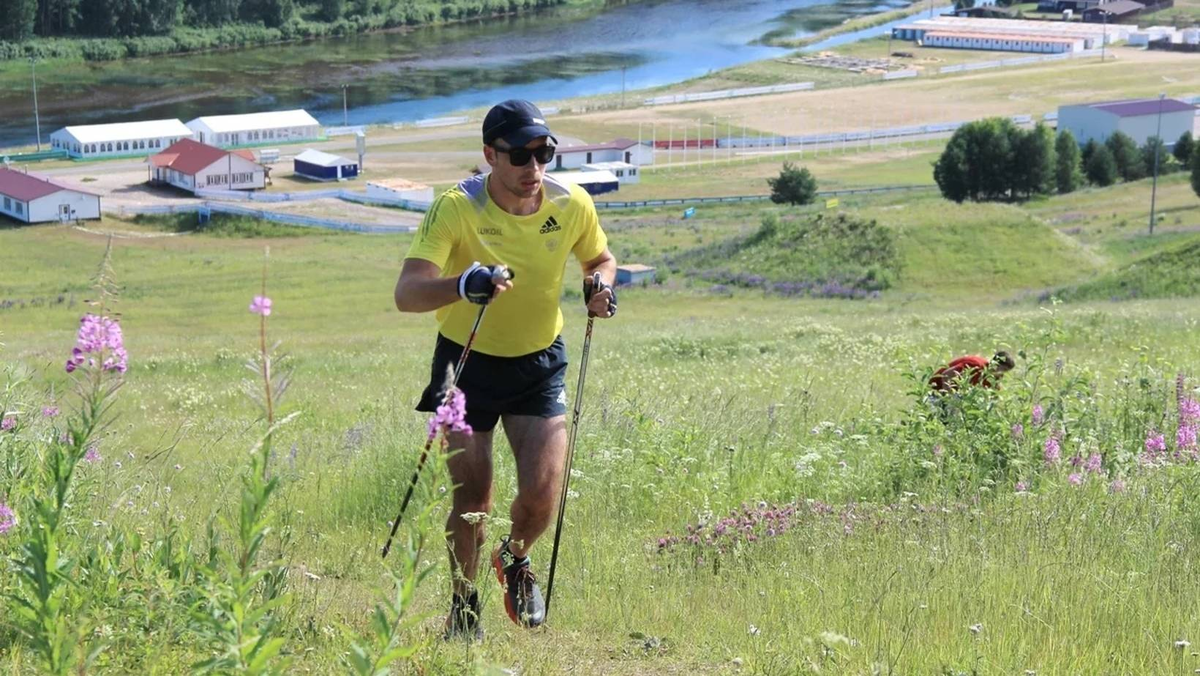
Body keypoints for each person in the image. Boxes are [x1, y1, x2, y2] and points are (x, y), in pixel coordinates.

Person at [393, 99, 617, 640]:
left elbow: (599, 259)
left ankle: (514, 559)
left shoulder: (571, 204)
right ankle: (464, 606)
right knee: (473, 500)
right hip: (463, 364)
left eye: (544, 153)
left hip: (539, 363)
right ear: (491, 154)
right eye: (520, 154)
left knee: (542, 495)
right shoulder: (457, 208)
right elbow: (407, 294)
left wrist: (600, 287)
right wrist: (463, 284)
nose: (533, 167)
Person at [929, 351, 1016, 393]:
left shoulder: (996, 375)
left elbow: (995, 392)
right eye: (1003, 370)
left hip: (959, 394)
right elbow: (946, 374)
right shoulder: (975, 365)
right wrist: (948, 396)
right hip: (937, 388)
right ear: (996, 364)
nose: (1003, 374)